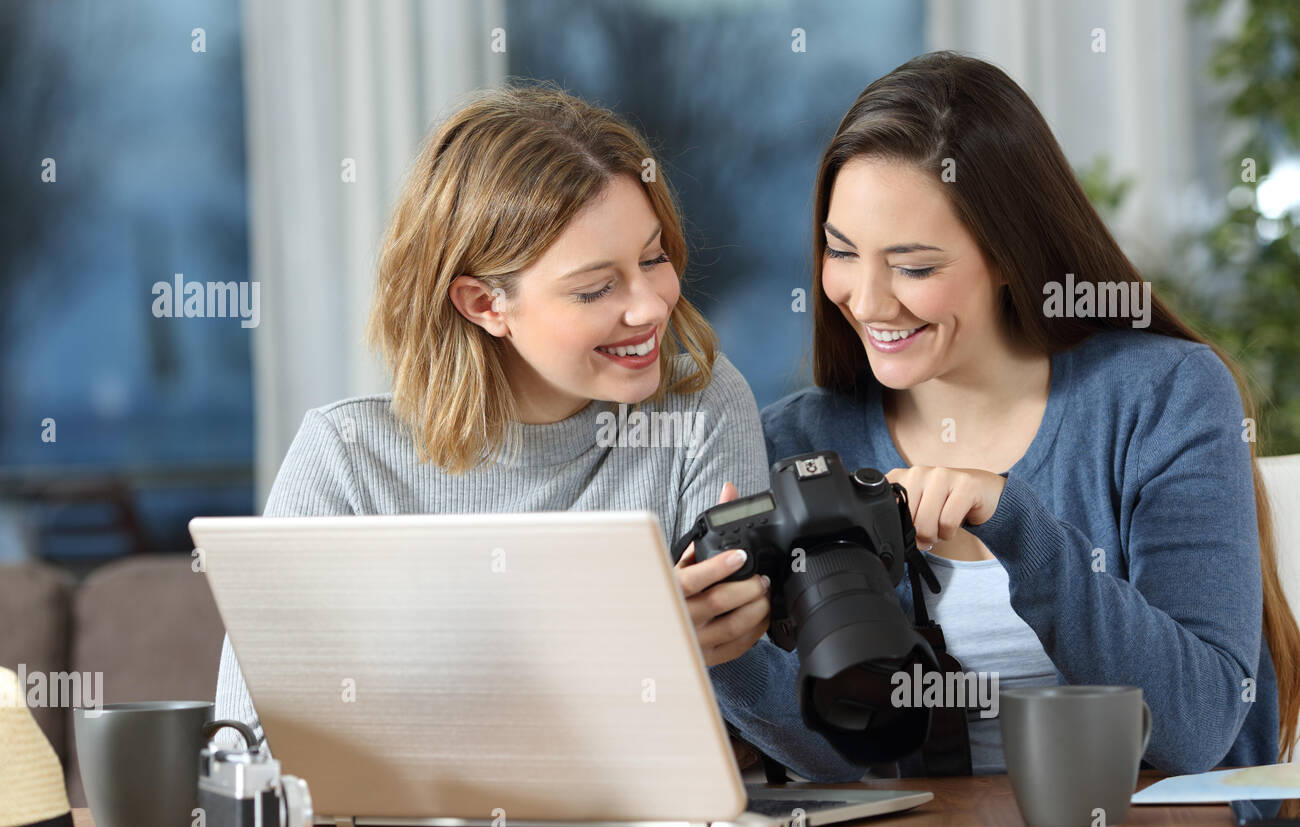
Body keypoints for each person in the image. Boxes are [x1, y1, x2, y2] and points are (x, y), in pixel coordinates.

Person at [212, 82, 861, 781]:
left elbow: (836, 757)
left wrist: (727, 659)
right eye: (595, 288)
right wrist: (620, 647)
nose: (649, 307)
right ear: (485, 303)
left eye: (652, 258)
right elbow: (238, 756)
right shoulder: (348, 461)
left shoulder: (697, 408)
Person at [756, 51, 1298, 776]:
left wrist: (1018, 526)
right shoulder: (795, 443)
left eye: (915, 267)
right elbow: (840, 767)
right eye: (841, 252)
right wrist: (719, 656)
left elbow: (1194, 726)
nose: (868, 299)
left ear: (1011, 253)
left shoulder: (1164, 397)